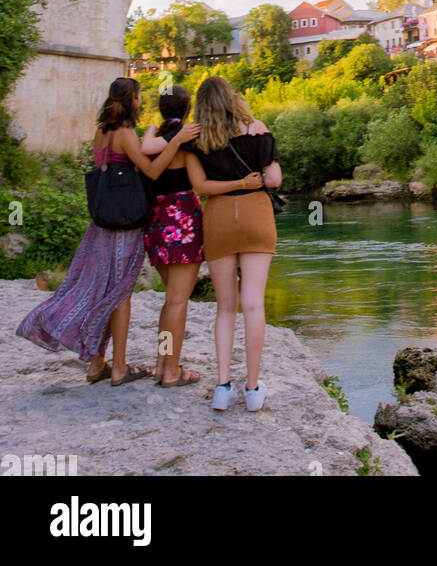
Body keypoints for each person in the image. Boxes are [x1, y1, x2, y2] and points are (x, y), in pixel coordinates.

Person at [16, 77, 199, 385]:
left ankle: (97, 363)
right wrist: (178, 141)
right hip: (123, 225)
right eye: (139, 98)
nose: (141, 103)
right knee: (120, 292)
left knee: (102, 288)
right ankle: (119, 367)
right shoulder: (126, 134)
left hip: (101, 223)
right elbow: (152, 171)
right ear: (132, 101)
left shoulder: (101, 132)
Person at [184, 77, 282, 412]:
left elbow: (201, 186)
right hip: (256, 215)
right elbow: (274, 180)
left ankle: (222, 386)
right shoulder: (255, 128)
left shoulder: (196, 140)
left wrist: (230, 182)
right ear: (231, 98)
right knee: (253, 304)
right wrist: (249, 177)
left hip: (219, 220)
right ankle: (253, 389)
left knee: (226, 307)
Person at [140, 86, 205, 388]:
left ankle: (161, 363)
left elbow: (149, 158)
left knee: (170, 302)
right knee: (178, 302)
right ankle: (171, 370)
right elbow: (199, 183)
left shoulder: (152, 141)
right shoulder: (186, 143)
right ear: (188, 109)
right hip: (182, 222)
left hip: (155, 222)